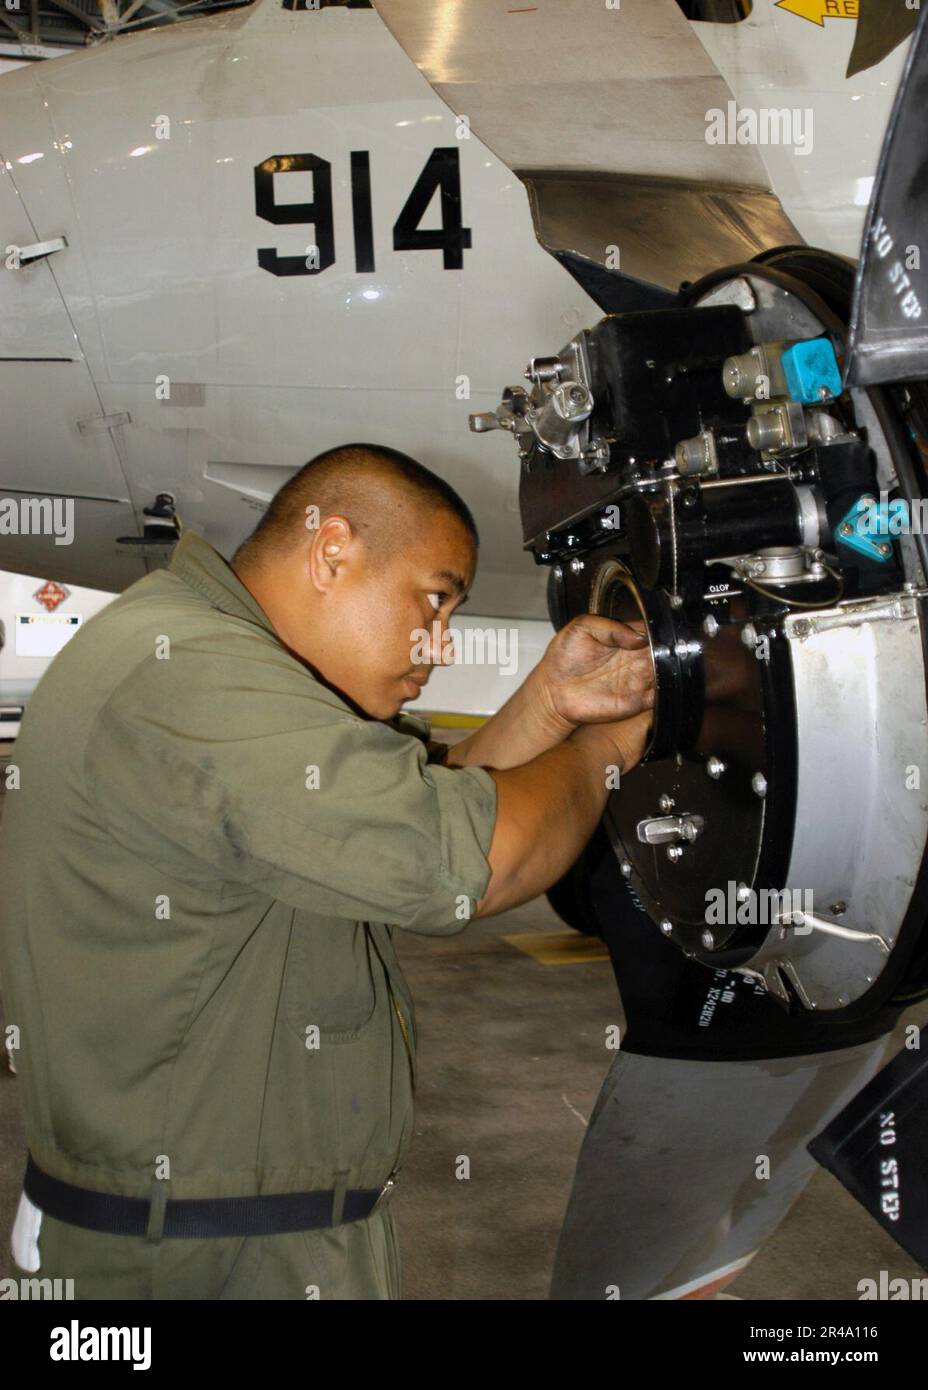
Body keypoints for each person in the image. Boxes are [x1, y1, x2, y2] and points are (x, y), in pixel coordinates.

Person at [0, 442, 652, 1299]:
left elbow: (404, 807)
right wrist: (612, 745)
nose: (439, 644)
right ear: (331, 550)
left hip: (218, 1235)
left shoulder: (196, 649)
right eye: (434, 600)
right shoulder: (194, 674)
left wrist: (553, 705)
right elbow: (465, 861)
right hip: (204, 1261)